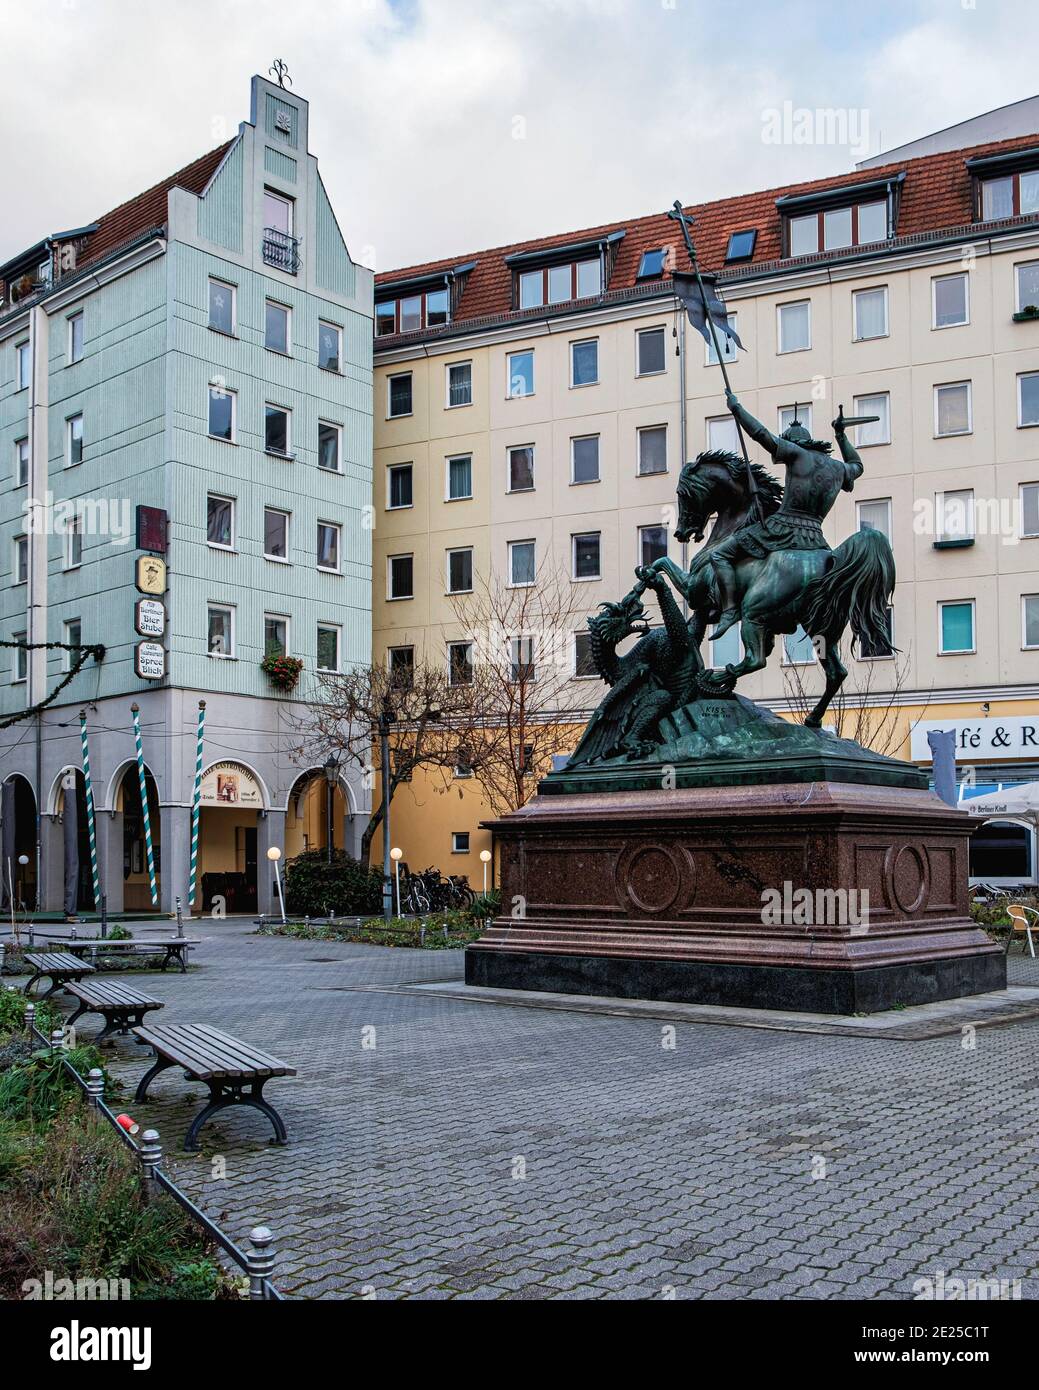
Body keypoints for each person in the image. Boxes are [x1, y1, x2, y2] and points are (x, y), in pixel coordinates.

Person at [708, 390, 864, 638]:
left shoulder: (797, 454)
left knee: (719, 555)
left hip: (782, 528)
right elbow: (858, 466)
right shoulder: (838, 468)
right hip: (815, 540)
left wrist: (737, 410)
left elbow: (761, 435)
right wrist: (841, 436)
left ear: (793, 444)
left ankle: (728, 611)